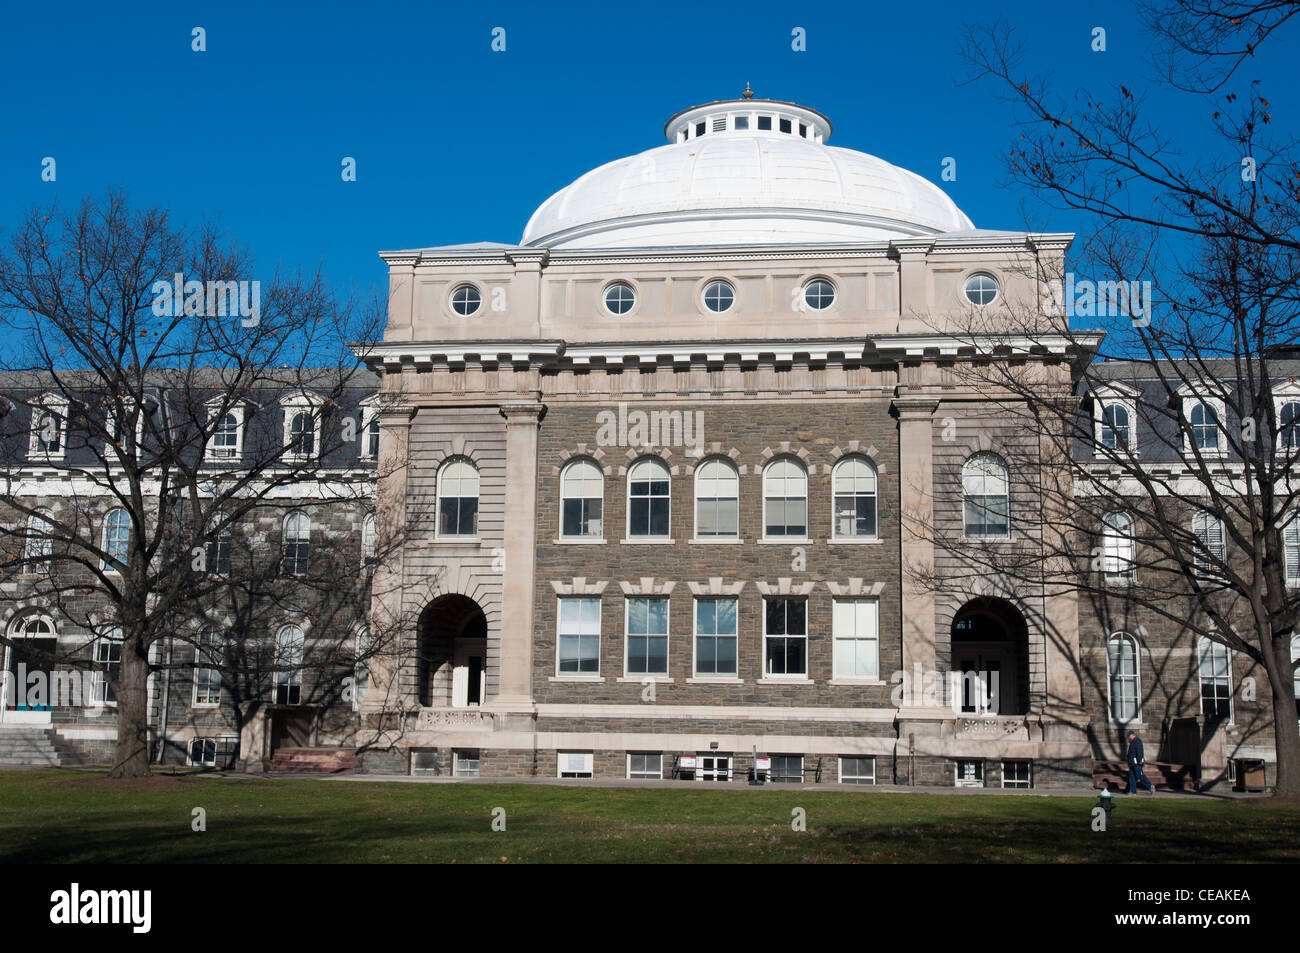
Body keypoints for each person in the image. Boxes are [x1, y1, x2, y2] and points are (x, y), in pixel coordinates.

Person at [1126, 730, 1155, 795]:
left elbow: (1139, 752)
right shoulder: (1133, 742)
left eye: (1129, 737)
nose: (1129, 738)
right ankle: (1133, 791)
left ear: (1132, 735)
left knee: (1140, 776)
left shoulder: (1137, 741)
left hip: (1136, 763)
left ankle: (1150, 786)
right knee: (1132, 777)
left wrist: (1140, 761)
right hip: (1132, 763)